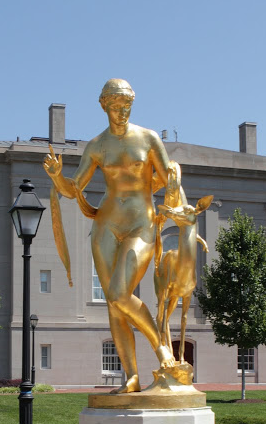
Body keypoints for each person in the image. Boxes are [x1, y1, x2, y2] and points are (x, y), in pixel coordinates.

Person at [43, 78, 177, 393]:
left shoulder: (148, 138)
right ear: (104, 106)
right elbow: (74, 189)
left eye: (126, 106)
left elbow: (169, 174)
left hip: (140, 224)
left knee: (118, 292)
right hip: (106, 225)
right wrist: (56, 175)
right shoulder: (98, 145)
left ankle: (161, 349)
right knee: (113, 305)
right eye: (115, 107)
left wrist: (171, 192)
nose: (121, 112)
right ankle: (131, 377)